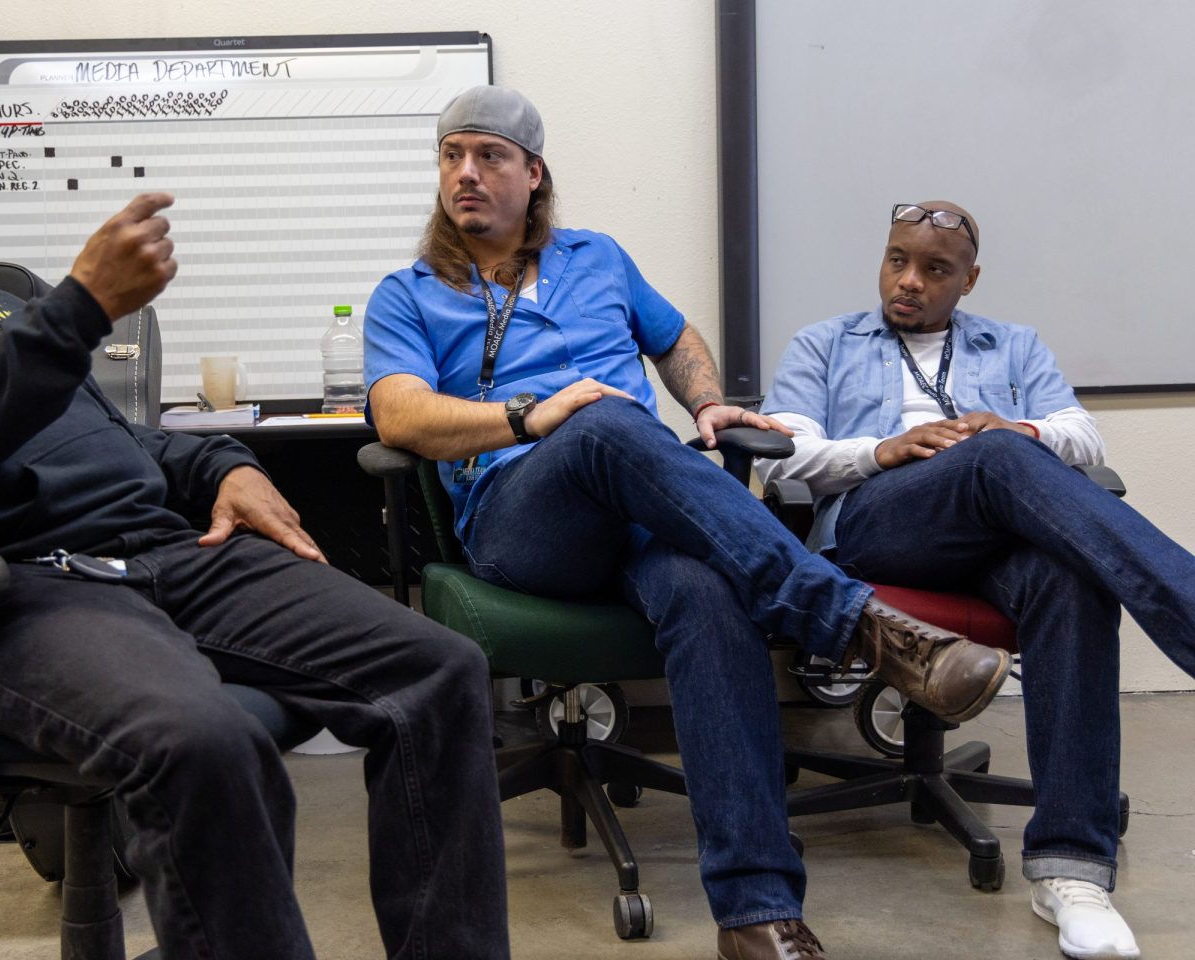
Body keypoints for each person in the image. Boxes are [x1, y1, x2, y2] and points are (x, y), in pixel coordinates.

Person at [0, 72, 512, 960]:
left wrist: (222, 464)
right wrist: (76, 311)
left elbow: (114, 438)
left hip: (169, 557)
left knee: (439, 670)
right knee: (204, 739)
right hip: (17, 593)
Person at [364, 85, 1011, 960]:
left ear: (533, 172)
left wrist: (706, 402)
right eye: (451, 156)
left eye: (488, 156)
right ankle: (852, 622)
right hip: (523, 518)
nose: (465, 174)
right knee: (602, 421)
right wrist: (530, 417)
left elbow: (674, 340)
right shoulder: (407, 294)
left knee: (707, 590)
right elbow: (400, 417)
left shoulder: (599, 257)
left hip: (637, 506)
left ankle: (756, 916)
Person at [760, 200, 1195, 960]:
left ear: (970, 280)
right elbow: (780, 457)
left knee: (1070, 576)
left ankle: (1071, 872)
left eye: (935, 269)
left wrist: (1017, 430)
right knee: (994, 458)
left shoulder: (1013, 345)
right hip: (877, 528)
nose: (909, 281)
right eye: (898, 259)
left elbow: (1081, 432)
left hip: (992, 541)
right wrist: (883, 451)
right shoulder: (824, 343)